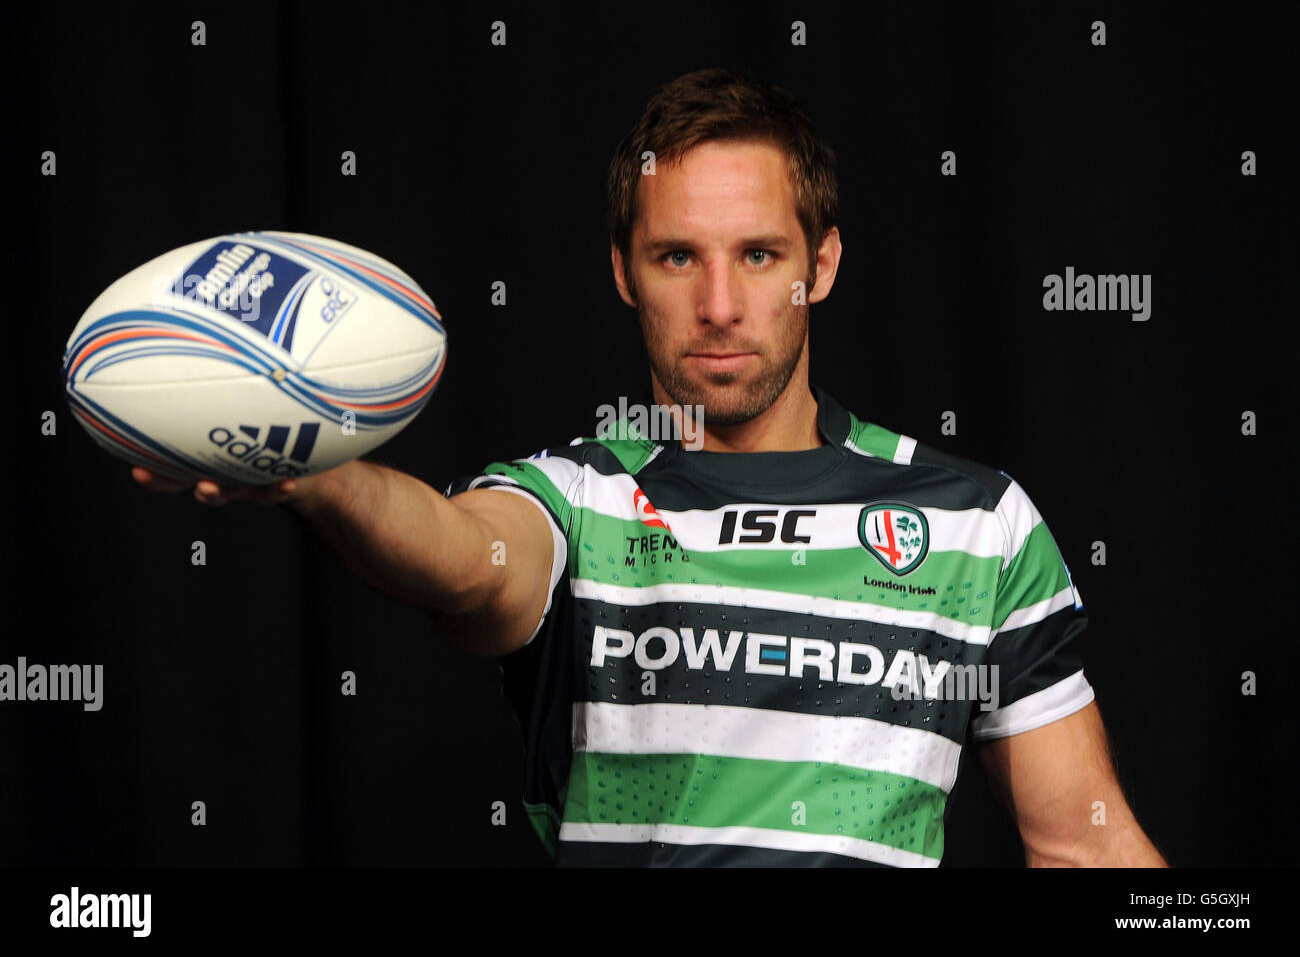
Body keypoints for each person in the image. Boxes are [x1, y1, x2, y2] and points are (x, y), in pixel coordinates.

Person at [136, 68, 1167, 868]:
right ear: (625, 272)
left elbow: (1084, 842)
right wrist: (319, 474)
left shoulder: (975, 524)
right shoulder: (580, 500)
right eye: (678, 256)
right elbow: (464, 559)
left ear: (822, 264)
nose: (719, 304)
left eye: (758, 255)